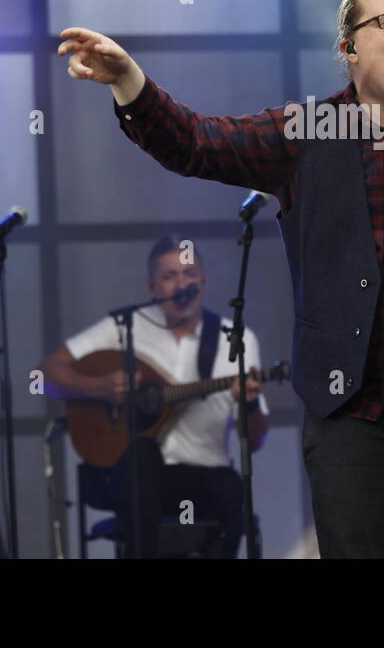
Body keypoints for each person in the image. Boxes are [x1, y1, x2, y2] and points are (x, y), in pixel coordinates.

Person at [59, 0, 384, 558]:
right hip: (357, 421)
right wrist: (129, 83)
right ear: (349, 48)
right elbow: (197, 142)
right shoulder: (309, 130)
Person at [39, 234, 269, 558]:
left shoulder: (237, 338)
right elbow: (41, 377)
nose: (181, 284)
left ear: (203, 281)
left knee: (231, 486)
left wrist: (249, 401)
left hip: (204, 477)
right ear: (152, 287)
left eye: (189, 275)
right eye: (169, 276)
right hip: (137, 481)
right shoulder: (125, 327)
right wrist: (99, 387)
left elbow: (255, 442)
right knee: (142, 454)